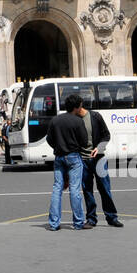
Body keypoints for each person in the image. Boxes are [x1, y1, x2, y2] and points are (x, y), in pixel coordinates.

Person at [74, 97, 123, 228]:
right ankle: (91, 219)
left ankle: (112, 217)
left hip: (99, 158)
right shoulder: (74, 120)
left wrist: (99, 148)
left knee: (105, 189)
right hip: (83, 160)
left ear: (79, 107)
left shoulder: (95, 116)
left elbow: (106, 135)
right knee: (87, 190)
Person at [45, 92, 89, 231]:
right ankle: (78, 222)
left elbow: (49, 139)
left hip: (59, 156)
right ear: (76, 107)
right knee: (75, 189)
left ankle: (54, 223)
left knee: (57, 189)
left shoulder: (55, 120)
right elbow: (84, 141)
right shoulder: (78, 121)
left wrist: (58, 147)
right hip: (74, 157)